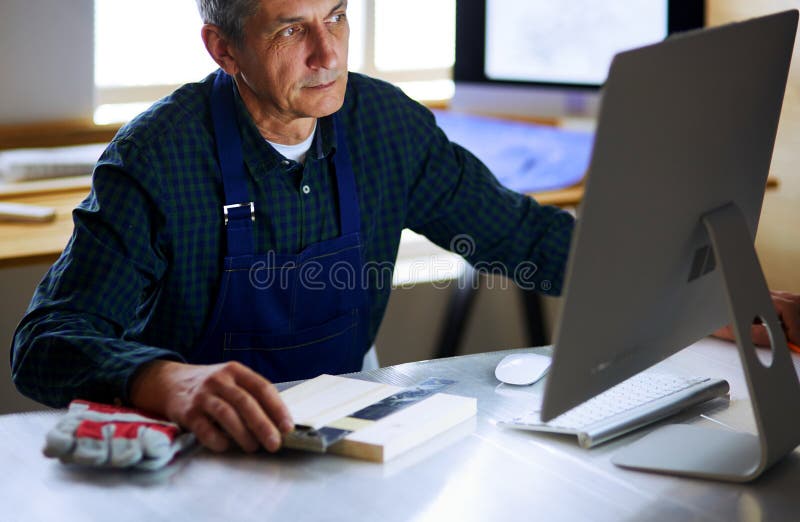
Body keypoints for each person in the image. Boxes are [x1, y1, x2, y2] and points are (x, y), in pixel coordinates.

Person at [11, 0, 573, 454]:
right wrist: (160, 380)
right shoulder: (157, 157)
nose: (327, 55)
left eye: (336, 16)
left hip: (342, 438)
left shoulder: (386, 126)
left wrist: (642, 267)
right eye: (290, 30)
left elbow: (521, 235)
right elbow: (46, 342)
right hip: (197, 453)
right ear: (223, 49)